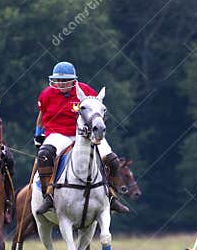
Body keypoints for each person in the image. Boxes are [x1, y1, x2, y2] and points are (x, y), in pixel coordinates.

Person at [34, 61, 130, 215]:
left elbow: (97, 112)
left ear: (73, 80)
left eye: (65, 80)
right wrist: (38, 135)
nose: (61, 83)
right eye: (58, 80)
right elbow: (41, 116)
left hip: (84, 135)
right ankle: (49, 195)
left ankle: (112, 197)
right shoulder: (46, 94)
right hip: (57, 134)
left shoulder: (85, 91)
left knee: (113, 160)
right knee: (44, 155)